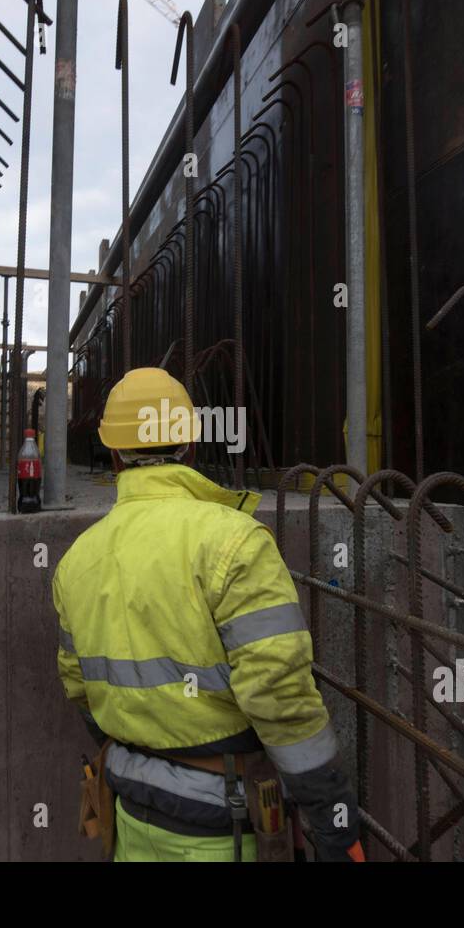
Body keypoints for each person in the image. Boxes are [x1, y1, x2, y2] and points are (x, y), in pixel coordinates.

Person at [52, 367, 363, 862]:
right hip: (222, 829)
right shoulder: (235, 542)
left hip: (129, 817)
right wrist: (332, 817)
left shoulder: (76, 562)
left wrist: (146, 743)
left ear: (113, 455)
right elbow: (279, 694)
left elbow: (79, 687)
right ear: (191, 447)